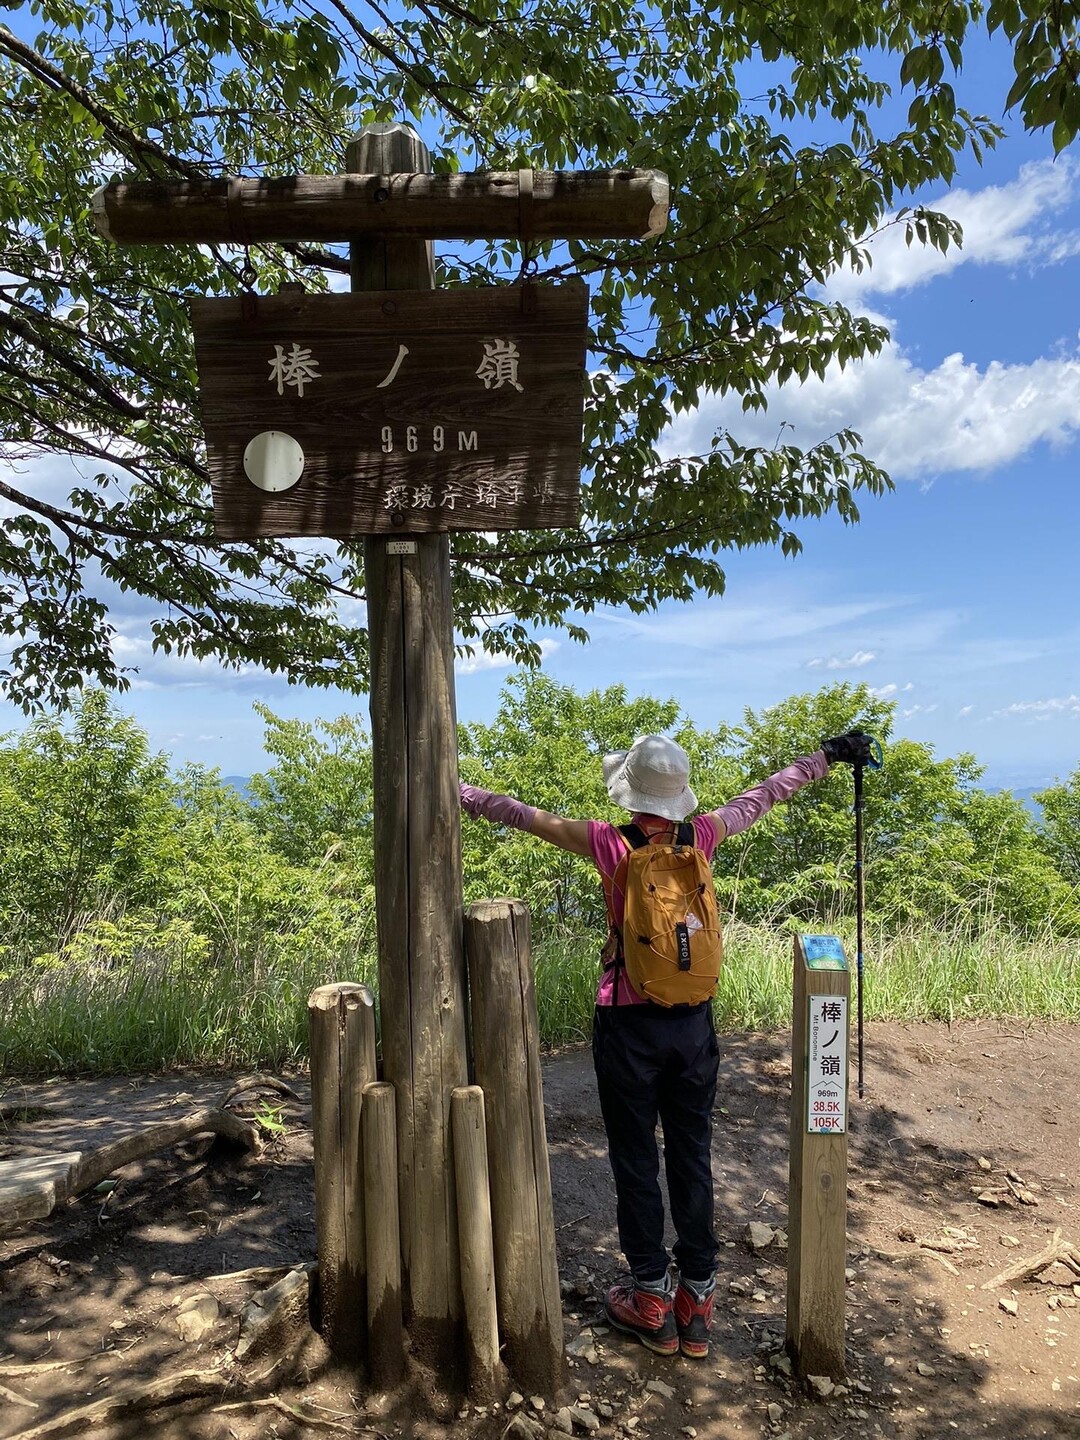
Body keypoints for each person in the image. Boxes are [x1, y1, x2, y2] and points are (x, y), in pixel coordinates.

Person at [459, 728, 875, 1359]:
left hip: (628, 1023)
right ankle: (697, 1304)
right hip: (693, 1025)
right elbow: (762, 797)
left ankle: (650, 1297)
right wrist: (823, 759)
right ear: (679, 795)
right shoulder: (701, 837)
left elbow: (521, 815)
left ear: (631, 790)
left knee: (634, 1160)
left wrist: (457, 791)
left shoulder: (609, 843)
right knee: (691, 1155)